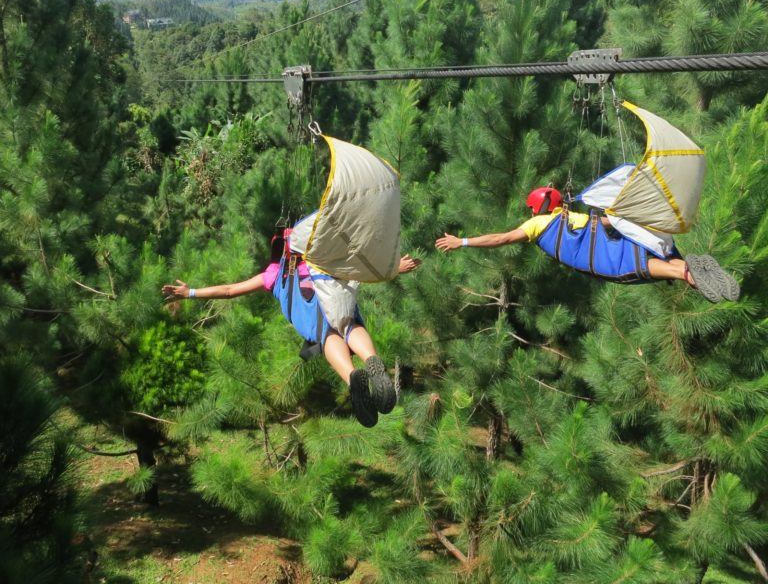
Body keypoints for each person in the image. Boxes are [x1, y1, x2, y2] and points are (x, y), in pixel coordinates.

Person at [162, 236, 422, 428]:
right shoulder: (323, 260)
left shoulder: (273, 275)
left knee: (327, 337)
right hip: (332, 292)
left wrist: (190, 292)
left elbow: (229, 290)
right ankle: (372, 360)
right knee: (349, 324)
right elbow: (363, 264)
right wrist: (393, 267)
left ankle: (352, 378)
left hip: (309, 313)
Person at [435, 186, 739, 303]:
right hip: (617, 246)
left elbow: (500, 239)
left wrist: (462, 241)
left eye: (531, 208)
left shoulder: (537, 225)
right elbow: (606, 222)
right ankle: (694, 271)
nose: (530, 212)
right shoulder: (573, 217)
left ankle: (691, 275)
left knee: (650, 269)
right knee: (659, 261)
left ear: (539, 207)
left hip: (608, 262)